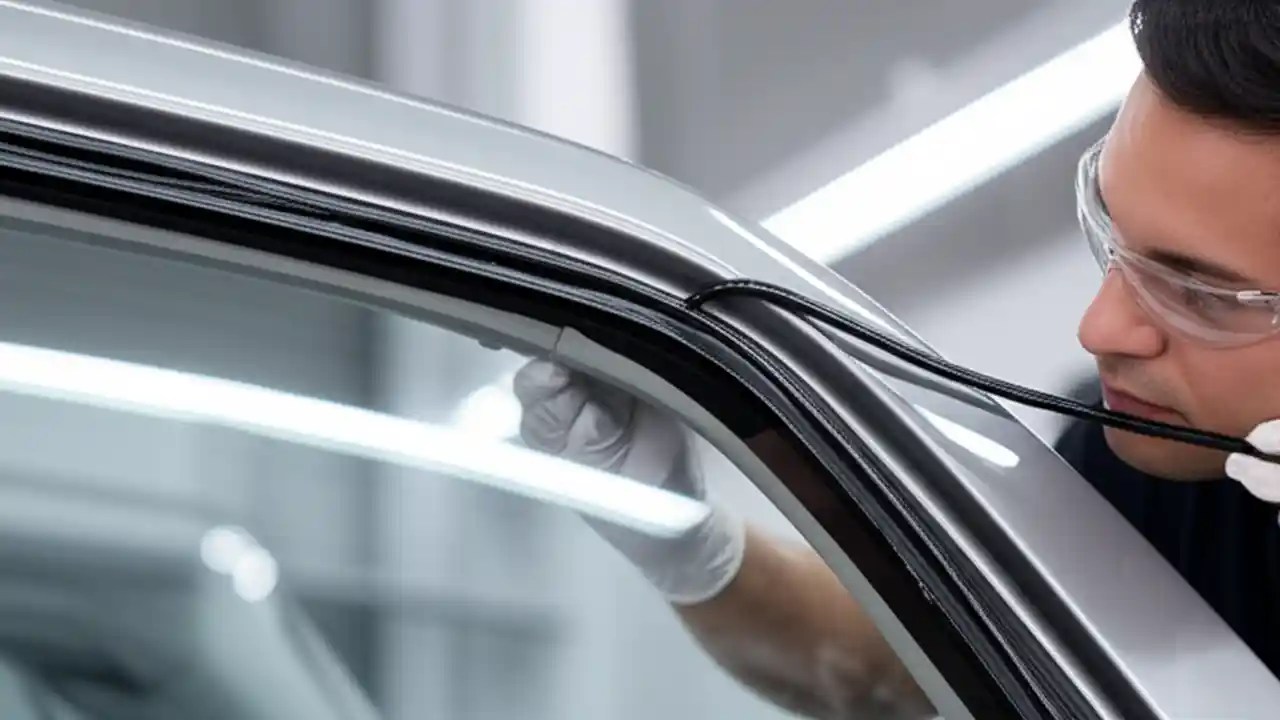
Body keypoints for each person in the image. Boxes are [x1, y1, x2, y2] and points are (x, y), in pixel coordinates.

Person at [514, 2, 1280, 717]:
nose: (1100, 327)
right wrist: (694, 552)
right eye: (1112, 235)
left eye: (1199, 294)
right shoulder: (1148, 470)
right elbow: (908, 674)